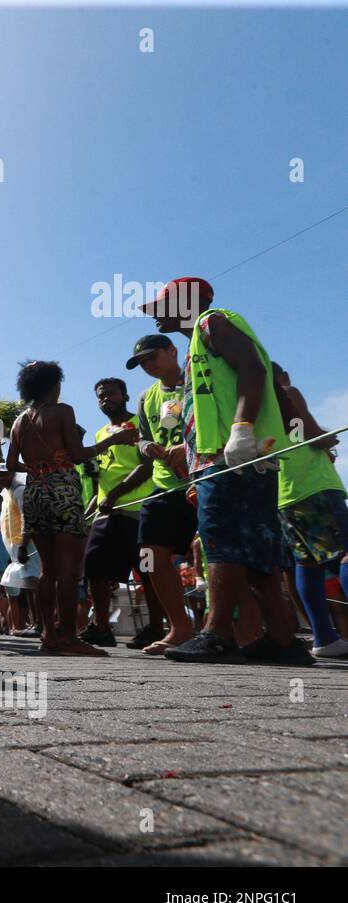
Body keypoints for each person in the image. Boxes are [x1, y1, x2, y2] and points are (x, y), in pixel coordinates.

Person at [141, 277, 312, 665]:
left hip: (230, 455)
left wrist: (242, 428)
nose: (155, 316)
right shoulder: (198, 342)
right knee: (256, 548)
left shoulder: (212, 323)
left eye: (161, 306)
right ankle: (283, 639)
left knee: (221, 539)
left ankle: (217, 634)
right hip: (232, 456)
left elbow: (253, 368)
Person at [7, 361, 135, 656]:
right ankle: (69, 637)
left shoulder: (19, 421)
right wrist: (116, 439)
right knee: (68, 570)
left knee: (47, 570)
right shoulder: (62, 411)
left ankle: (48, 636)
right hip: (62, 488)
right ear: (54, 385)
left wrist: (38, 466)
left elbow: (12, 464)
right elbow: (78, 455)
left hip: (35, 490)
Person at [125, 332, 198, 653]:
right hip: (164, 484)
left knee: (220, 555)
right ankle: (180, 627)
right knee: (150, 555)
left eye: (152, 357)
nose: (148, 366)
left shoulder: (197, 382)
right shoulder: (146, 397)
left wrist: (189, 448)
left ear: (173, 351)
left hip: (204, 476)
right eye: (141, 363)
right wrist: (147, 446)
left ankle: (233, 628)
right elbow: (141, 439)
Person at [271, 363, 348, 658]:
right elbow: (312, 434)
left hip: (284, 495)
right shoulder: (287, 392)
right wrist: (328, 439)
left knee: (307, 564)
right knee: (344, 552)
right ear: (282, 377)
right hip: (315, 487)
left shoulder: (256, 407)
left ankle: (323, 637)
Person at [79, 377, 158, 648]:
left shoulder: (139, 424)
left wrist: (116, 494)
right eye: (101, 395)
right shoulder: (101, 434)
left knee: (147, 571)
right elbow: (103, 479)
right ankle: (101, 627)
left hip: (137, 509)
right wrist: (88, 512)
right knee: (95, 569)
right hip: (106, 513)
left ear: (125, 396)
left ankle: (156, 627)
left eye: (111, 394)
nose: (105, 399)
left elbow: (146, 466)